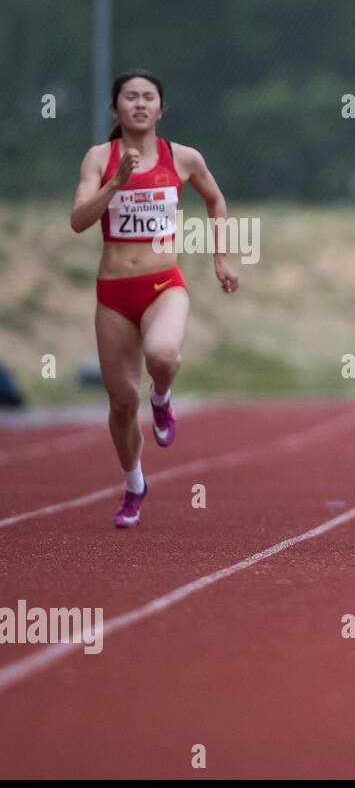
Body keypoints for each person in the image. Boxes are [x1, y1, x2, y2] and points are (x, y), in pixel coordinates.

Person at [70, 70, 239, 528]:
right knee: (122, 401)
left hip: (164, 284)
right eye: (130, 97)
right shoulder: (98, 158)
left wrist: (219, 258)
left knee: (162, 355)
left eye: (149, 98)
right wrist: (114, 183)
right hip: (113, 294)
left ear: (161, 109)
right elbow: (78, 220)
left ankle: (162, 395)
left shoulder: (181, 157)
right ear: (115, 109)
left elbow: (216, 200)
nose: (140, 104)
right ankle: (133, 483)